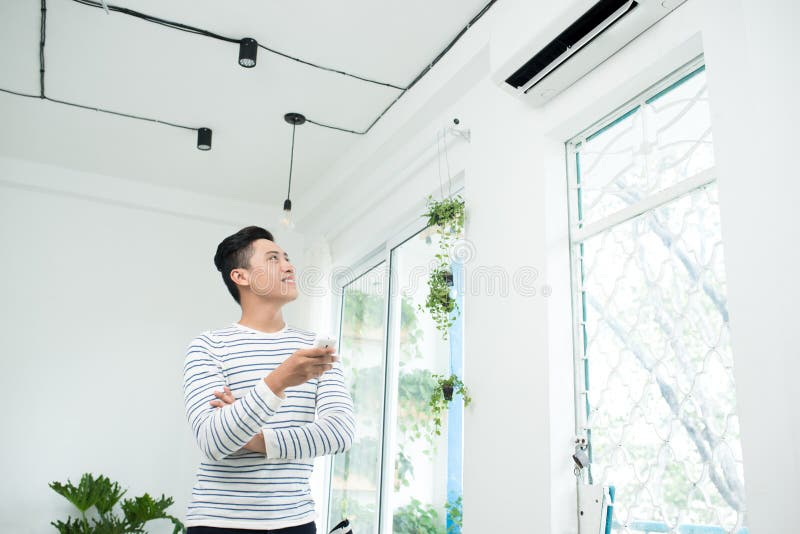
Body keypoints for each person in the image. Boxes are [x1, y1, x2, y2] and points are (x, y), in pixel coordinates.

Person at [182, 226, 355, 533]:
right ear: (241, 276)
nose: (289, 266)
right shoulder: (209, 346)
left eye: (287, 258)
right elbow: (213, 440)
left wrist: (255, 439)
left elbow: (340, 433)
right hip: (217, 523)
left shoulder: (316, 348)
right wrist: (279, 380)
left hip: (296, 522)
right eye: (274, 258)